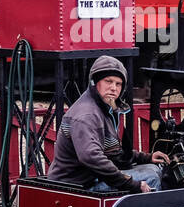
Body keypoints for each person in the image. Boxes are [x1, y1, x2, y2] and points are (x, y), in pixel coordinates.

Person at [47, 56, 170, 193]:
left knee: (153, 168)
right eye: (108, 81)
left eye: (118, 84)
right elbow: (91, 158)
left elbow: (112, 151)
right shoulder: (87, 115)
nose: (113, 88)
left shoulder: (103, 108)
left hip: (90, 178)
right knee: (151, 177)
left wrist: (146, 157)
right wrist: (131, 184)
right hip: (75, 186)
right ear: (95, 82)